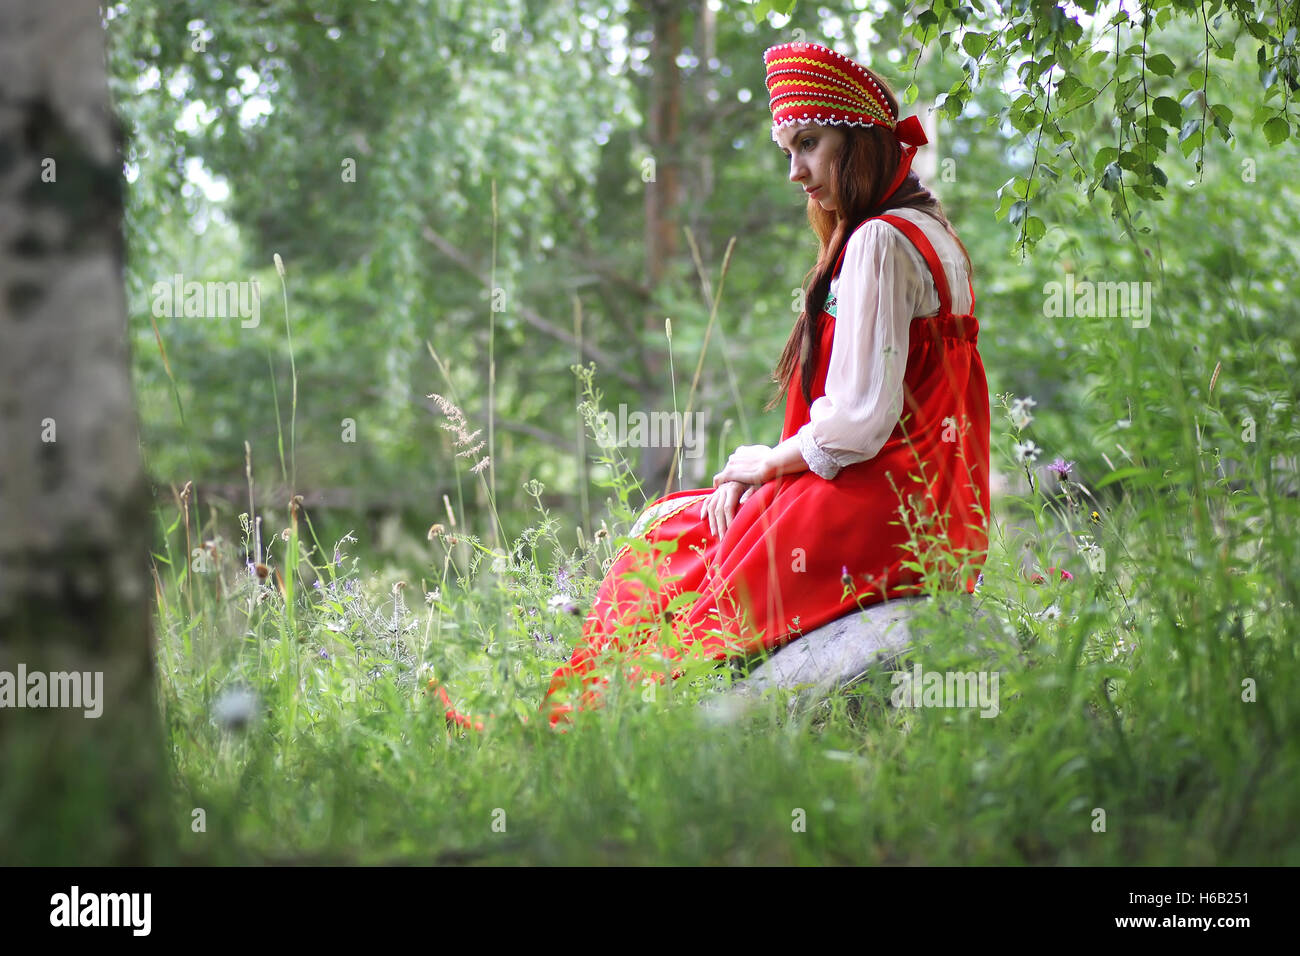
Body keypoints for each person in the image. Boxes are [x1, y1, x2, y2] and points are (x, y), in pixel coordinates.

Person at [433, 40, 990, 733]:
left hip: (885, 509)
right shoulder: (932, 232)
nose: (796, 172)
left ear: (859, 140)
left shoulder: (878, 240)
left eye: (809, 145)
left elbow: (862, 419)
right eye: (787, 151)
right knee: (684, 521)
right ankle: (570, 718)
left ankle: (572, 726)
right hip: (933, 510)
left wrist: (765, 463)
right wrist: (769, 470)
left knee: (674, 544)